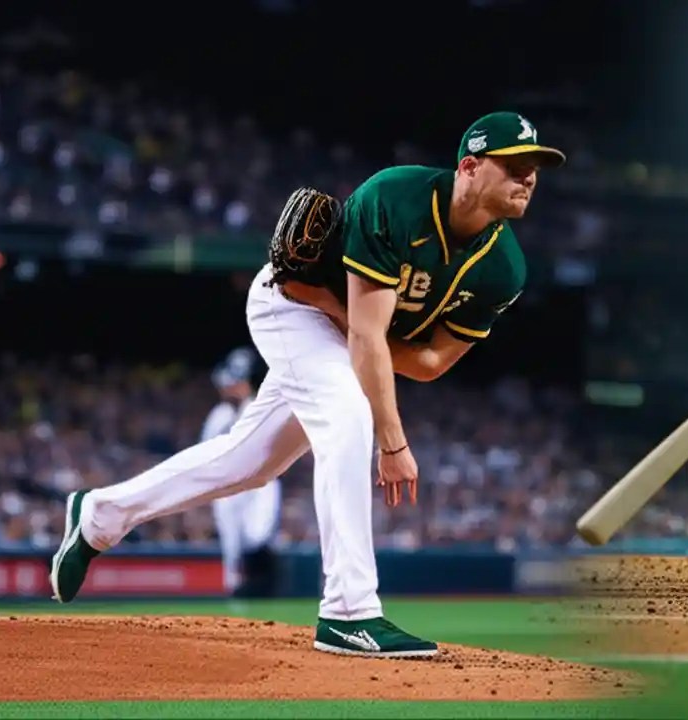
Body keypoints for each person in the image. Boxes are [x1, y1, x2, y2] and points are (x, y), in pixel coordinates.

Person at [49, 111, 566, 655]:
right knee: (348, 414)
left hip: (330, 313)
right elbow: (366, 340)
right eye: (515, 164)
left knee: (249, 464)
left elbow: (431, 361)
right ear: (469, 166)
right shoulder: (395, 199)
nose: (529, 175)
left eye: (534, 166)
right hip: (292, 304)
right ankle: (349, 611)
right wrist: (393, 442)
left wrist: (335, 308)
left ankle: (101, 515)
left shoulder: (504, 267)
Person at [204, 347, 283, 597]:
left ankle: (267, 581)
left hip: (261, 481)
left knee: (256, 535)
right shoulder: (219, 415)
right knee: (231, 542)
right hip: (227, 486)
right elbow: (203, 452)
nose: (231, 388)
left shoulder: (259, 406)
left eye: (236, 382)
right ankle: (234, 588)